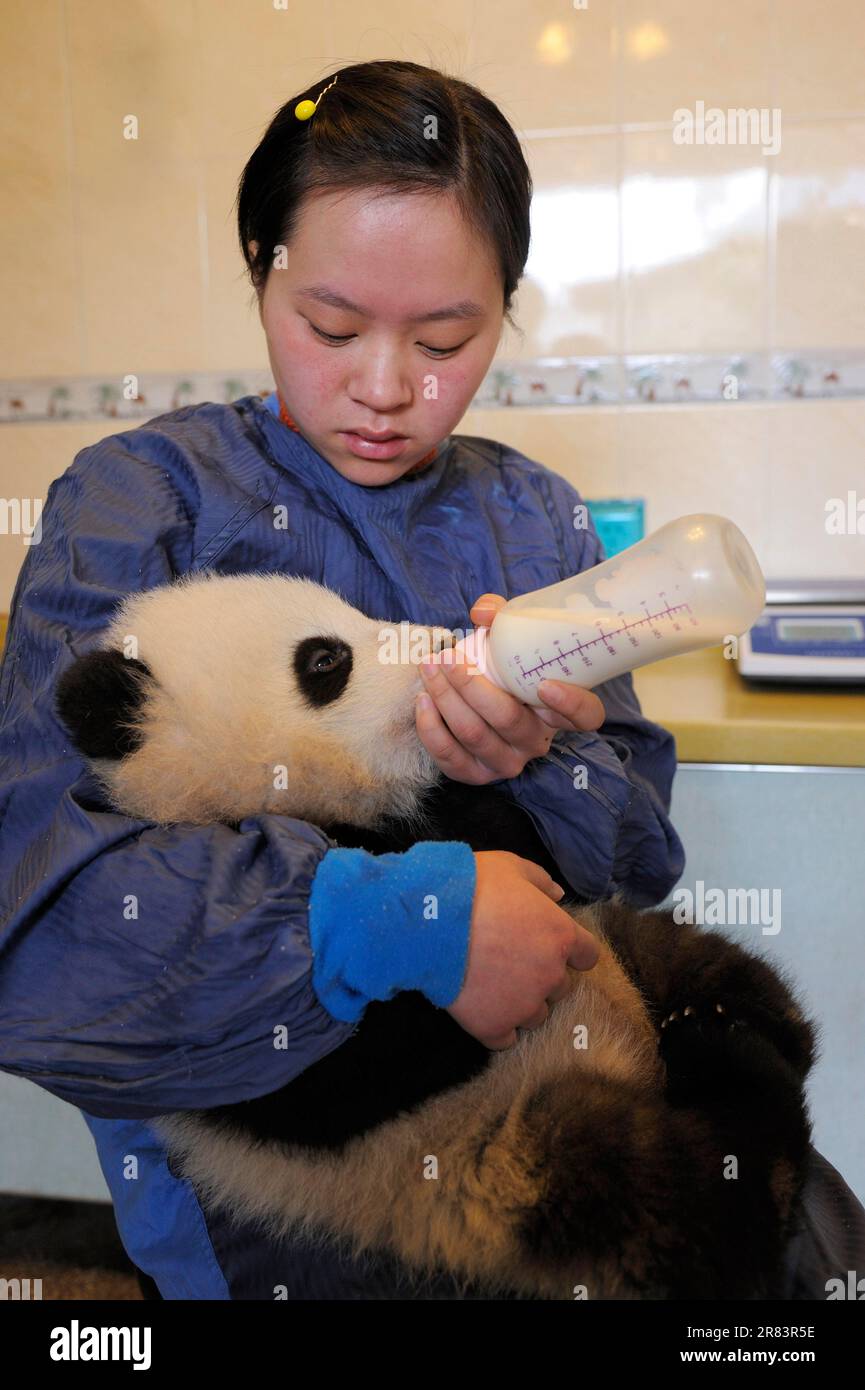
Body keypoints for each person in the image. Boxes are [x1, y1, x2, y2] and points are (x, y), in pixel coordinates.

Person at [0, 58, 857, 1301]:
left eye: (448, 338)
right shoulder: (138, 507)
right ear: (262, 267)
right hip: (290, 1209)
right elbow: (44, 917)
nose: (389, 386)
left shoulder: (530, 517)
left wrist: (541, 757)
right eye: (332, 328)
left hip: (566, 1124)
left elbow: (632, 857)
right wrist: (397, 916)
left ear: (506, 306)